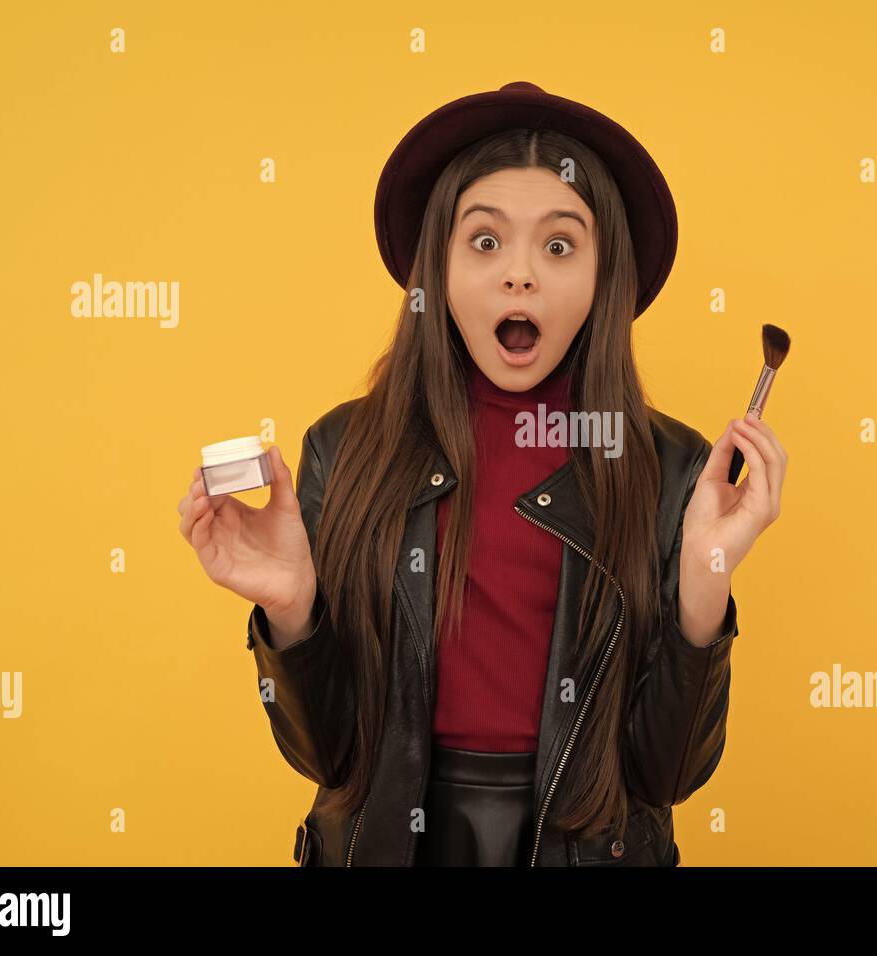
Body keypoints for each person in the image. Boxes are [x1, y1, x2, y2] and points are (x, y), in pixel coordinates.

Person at [176, 81, 788, 866]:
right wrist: (293, 615)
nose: (520, 276)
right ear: (437, 270)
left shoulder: (674, 470)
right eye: (486, 241)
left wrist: (705, 584)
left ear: (607, 280)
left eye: (559, 245)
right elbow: (327, 761)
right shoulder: (347, 449)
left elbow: (664, 775)